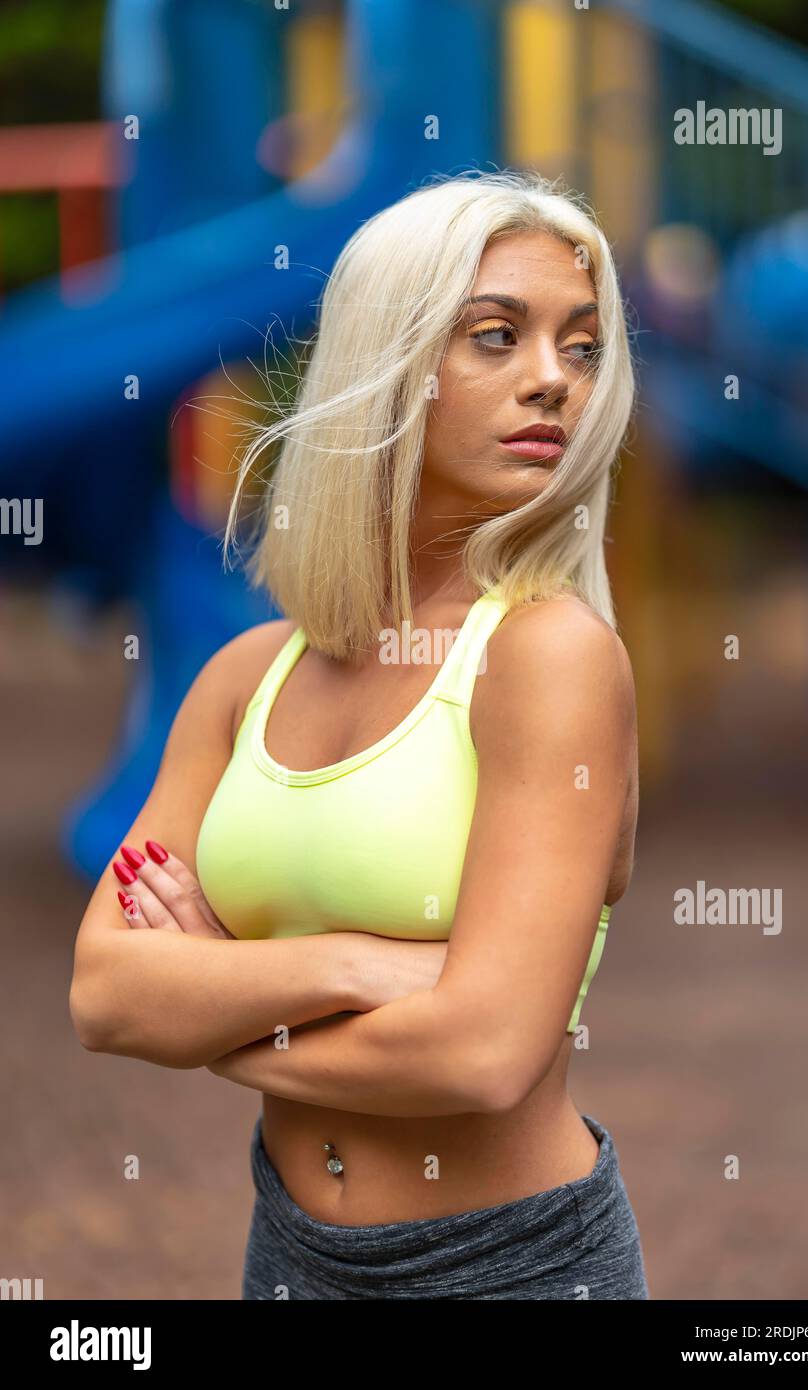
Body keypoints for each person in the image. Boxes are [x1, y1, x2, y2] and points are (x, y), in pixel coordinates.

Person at [69, 169, 648, 1300]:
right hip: (287, 1252)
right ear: (388, 362)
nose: (551, 380)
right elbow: (104, 991)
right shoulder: (247, 677)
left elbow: (481, 1056)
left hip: (507, 1265)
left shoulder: (549, 657)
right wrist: (354, 967)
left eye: (579, 347)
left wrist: (220, 1005)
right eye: (496, 336)